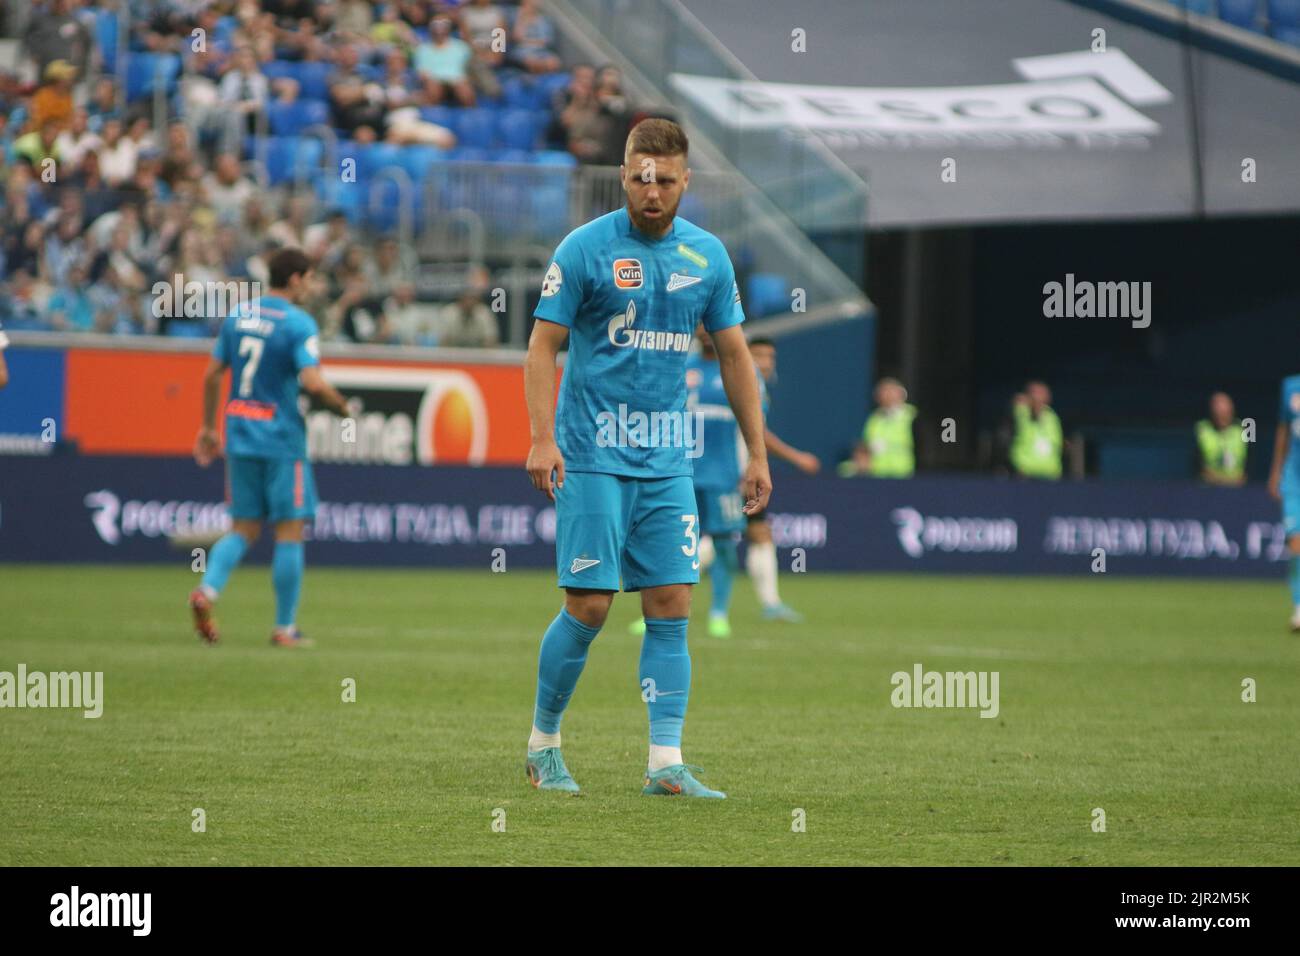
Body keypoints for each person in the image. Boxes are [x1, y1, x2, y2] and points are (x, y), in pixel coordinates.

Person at [521, 118, 769, 798]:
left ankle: (665, 761)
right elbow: (543, 346)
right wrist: (542, 436)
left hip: (667, 458)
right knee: (592, 605)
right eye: (639, 178)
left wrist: (756, 451)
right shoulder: (584, 249)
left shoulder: (708, 257)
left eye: (663, 180)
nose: (651, 191)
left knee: (669, 602)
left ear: (686, 180)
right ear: (624, 177)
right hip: (592, 451)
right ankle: (544, 745)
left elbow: (735, 354)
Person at [188, 248, 351, 648]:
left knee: (243, 527)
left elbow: (212, 375)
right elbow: (312, 383)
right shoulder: (299, 323)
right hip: (281, 439)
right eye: (311, 278)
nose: (314, 286)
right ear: (295, 280)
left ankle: (207, 591)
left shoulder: (239, 315)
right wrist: (341, 405)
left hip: (239, 432)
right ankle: (284, 628)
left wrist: (209, 427)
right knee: (290, 530)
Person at [745, 336, 817, 620]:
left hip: (731, 469)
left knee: (756, 533)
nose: (765, 362)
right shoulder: (746, 381)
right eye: (758, 355)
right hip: (735, 470)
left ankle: (771, 604)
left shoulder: (753, 383)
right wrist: (797, 457)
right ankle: (663, 595)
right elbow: (758, 433)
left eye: (770, 357)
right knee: (721, 536)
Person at [1267, 374, 1300, 632]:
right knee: (1296, 541)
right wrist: (1276, 471)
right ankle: (1299, 606)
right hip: (1294, 476)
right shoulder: (1290, 386)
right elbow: (1283, 430)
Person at [839, 377, 916, 478]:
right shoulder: (874, 418)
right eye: (883, 393)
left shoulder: (912, 415)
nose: (887, 396)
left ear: (900, 393)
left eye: (891, 391)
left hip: (905, 474)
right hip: (878, 475)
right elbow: (867, 444)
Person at [1009, 380, 1062, 480]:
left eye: (1041, 394)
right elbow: (1017, 402)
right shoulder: (1021, 413)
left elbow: (1057, 445)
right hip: (1024, 475)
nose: (1037, 397)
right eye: (1034, 393)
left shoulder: (1053, 418)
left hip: (1050, 475)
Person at [1196, 391, 1248, 486]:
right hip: (1209, 488)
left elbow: (1251, 466)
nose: (1222, 416)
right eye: (1218, 412)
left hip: (1240, 489)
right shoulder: (1201, 429)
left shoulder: (1245, 429)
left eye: (1225, 412)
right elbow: (1196, 466)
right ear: (1211, 412)